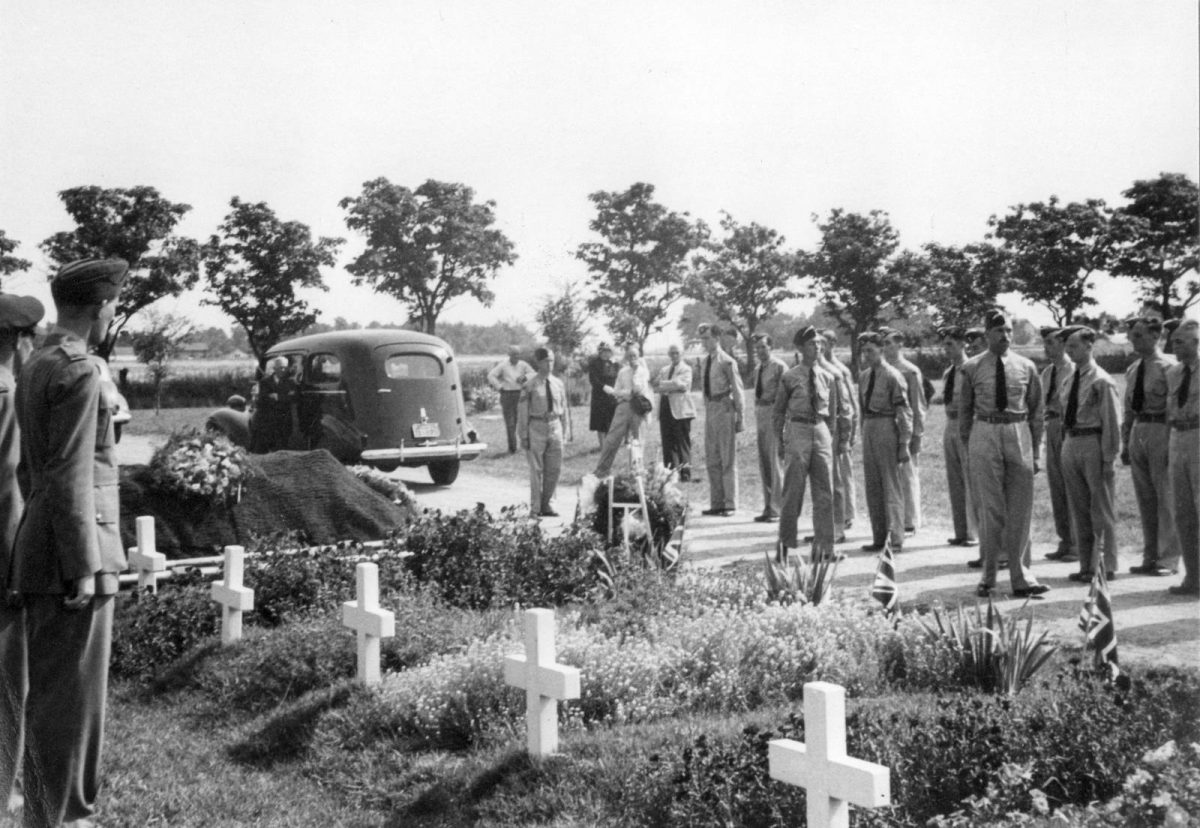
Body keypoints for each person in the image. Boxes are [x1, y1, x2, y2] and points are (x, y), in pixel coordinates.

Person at [11, 257, 128, 826]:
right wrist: (82, 563)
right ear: (101, 306)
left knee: (54, 695)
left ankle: (49, 809)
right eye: (112, 306)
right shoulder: (80, 370)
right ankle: (61, 816)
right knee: (73, 700)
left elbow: (33, 474)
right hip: (77, 556)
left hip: (44, 545)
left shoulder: (36, 363)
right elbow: (68, 471)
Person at [957, 309, 1049, 598]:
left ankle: (1022, 577)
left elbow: (1037, 413)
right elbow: (964, 413)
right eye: (999, 331)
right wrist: (970, 448)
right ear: (987, 335)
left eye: (1009, 331)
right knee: (990, 508)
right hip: (984, 431)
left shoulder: (1027, 366)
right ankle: (988, 577)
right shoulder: (971, 368)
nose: (1006, 336)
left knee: (1021, 508)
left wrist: (1035, 452)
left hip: (1018, 431)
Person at [0, 293, 44, 817]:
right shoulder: (7, 391)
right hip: (0, 557)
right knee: (8, 686)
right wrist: (15, 562)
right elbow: (6, 487)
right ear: (19, 339)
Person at [774, 327, 850, 560]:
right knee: (793, 492)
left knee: (825, 492)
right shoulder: (789, 377)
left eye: (819, 343)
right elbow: (778, 413)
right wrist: (780, 441)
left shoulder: (830, 377)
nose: (817, 347)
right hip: (797, 430)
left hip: (821, 431)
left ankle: (825, 548)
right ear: (800, 348)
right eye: (811, 344)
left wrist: (835, 440)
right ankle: (784, 546)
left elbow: (835, 412)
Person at [1060, 326, 1121, 583]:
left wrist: (1109, 458)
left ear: (1089, 346)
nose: (1069, 350)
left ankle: (1106, 566)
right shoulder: (1069, 379)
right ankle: (1086, 564)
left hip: (1093, 441)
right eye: (1068, 346)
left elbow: (1112, 422)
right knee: (1079, 507)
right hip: (1072, 442)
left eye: (1074, 345)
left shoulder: (1101, 380)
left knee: (1101, 508)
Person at [1121, 316, 1180, 577]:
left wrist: (1171, 442)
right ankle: (1150, 556)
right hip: (1139, 431)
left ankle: (1168, 559)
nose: (1133, 340)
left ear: (1156, 337)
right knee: (1145, 498)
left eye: (1139, 335)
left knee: (1165, 496)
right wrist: (1126, 443)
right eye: (1132, 335)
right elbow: (1128, 409)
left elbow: (1173, 408)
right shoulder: (1133, 369)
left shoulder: (1170, 367)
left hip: (1160, 429)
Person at [857, 332, 912, 553]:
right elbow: (861, 408)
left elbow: (904, 412)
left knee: (891, 484)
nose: (866, 355)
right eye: (863, 351)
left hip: (887, 426)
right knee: (873, 486)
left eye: (870, 350)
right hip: (869, 427)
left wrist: (904, 443)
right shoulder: (863, 376)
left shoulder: (893, 376)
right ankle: (878, 537)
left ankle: (896, 538)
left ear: (881, 350)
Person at [880, 328, 926, 534]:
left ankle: (910, 520)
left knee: (907, 474)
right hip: (888, 427)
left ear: (900, 344)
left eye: (890, 343)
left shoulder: (909, 371)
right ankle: (895, 519)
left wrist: (916, 435)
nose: (886, 347)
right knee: (891, 476)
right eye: (884, 343)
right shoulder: (882, 369)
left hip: (906, 427)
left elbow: (918, 406)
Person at [1165, 320, 1199, 597]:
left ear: (1195, 342)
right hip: (1178, 438)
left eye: (1178, 342)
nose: (1172, 346)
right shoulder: (1174, 373)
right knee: (1183, 511)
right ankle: (1193, 577)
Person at [938, 326, 979, 550]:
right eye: (945, 344)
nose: (946, 349)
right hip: (949, 423)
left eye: (950, 344)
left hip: (967, 424)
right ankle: (960, 531)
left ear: (963, 344)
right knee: (954, 480)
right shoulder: (948, 373)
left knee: (969, 478)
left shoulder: (971, 370)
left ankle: (972, 532)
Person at [698, 324, 744, 516]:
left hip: (725, 407)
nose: (704, 342)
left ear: (717, 338)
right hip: (711, 409)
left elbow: (738, 389)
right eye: (702, 339)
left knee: (727, 457)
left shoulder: (726, 361)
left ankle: (730, 503)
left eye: (707, 338)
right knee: (712, 457)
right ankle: (716, 502)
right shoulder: (705, 361)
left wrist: (740, 416)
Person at [1040, 325, 1076, 564]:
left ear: (1063, 344)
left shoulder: (1073, 371)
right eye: (1045, 343)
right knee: (1056, 486)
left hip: (1067, 427)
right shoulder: (1046, 373)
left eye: (1051, 342)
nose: (1046, 347)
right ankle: (1064, 540)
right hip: (1051, 426)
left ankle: (1076, 543)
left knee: (1072, 486)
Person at [519, 347, 568, 517]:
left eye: (552, 360)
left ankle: (548, 505)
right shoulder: (529, 385)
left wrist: (566, 431)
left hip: (555, 427)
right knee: (536, 470)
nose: (550, 364)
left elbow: (564, 409)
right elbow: (523, 411)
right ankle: (536, 506)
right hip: (536, 427)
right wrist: (524, 435)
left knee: (554, 469)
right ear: (539, 362)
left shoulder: (558, 383)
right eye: (547, 360)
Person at [593, 340, 651, 478]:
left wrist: (636, 373)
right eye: (629, 356)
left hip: (638, 407)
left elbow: (637, 390)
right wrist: (624, 393)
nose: (632, 359)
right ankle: (602, 470)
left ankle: (636, 473)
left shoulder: (643, 371)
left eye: (634, 356)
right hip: (623, 407)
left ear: (638, 357)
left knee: (637, 441)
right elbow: (616, 391)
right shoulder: (622, 372)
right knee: (612, 438)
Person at [819, 329, 858, 533]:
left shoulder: (839, 371)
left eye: (823, 343)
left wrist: (850, 435)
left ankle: (846, 516)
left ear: (832, 344)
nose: (820, 347)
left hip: (839, 430)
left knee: (842, 475)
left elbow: (850, 405)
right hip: (823, 431)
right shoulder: (816, 368)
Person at [750, 333, 788, 522]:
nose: (760, 351)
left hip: (775, 412)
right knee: (764, 461)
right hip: (761, 413)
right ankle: (767, 505)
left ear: (770, 347)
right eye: (757, 348)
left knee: (775, 461)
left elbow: (787, 394)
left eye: (763, 347)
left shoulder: (779, 367)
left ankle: (777, 507)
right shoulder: (758, 369)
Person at [650, 342, 695, 481]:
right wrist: (671, 384)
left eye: (677, 353)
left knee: (682, 443)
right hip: (665, 408)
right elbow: (655, 386)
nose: (674, 356)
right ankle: (670, 474)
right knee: (667, 443)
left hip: (680, 411)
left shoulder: (686, 369)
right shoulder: (664, 369)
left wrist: (665, 385)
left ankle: (686, 474)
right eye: (672, 353)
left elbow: (682, 385)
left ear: (682, 354)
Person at [488, 345, 533, 454]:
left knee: (523, 420)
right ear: (509, 355)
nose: (516, 357)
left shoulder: (523, 365)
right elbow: (491, 376)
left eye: (518, 355)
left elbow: (533, 373)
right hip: (507, 395)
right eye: (514, 355)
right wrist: (499, 387)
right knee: (510, 423)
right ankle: (512, 448)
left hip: (520, 394)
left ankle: (526, 446)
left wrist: (525, 377)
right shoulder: (503, 365)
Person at [251, 356, 298, 452]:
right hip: (269, 423)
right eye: (281, 367)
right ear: (275, 368)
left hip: (284, 423)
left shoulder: (291, 382)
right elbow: (262, 400)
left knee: (282, 449)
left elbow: (294, 398)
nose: (283, 370)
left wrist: (278, 397)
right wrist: (284, 397)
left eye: (285, 367)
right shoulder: (265, 382)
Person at [587, 343, 620, 449]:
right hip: (599, 396)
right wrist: (604, 387)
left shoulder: (614, 363)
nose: (606, 353)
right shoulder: (594, 364)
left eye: (608, 351)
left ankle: (610, 443)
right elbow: (593, 380)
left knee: (611, 420)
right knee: (600, 421)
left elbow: (618, 377)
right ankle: (602, 445)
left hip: (612, 396)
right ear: (600, 352)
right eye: (604, 351)